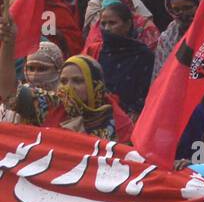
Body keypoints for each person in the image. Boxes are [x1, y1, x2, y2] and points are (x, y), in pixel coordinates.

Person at [0, 28, 134, 142]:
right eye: (64, 81)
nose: (69, 87)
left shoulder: (118, 123)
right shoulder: (51, 105)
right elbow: (9, 92)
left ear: (96, 87)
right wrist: (8, 43)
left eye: (78, 81)